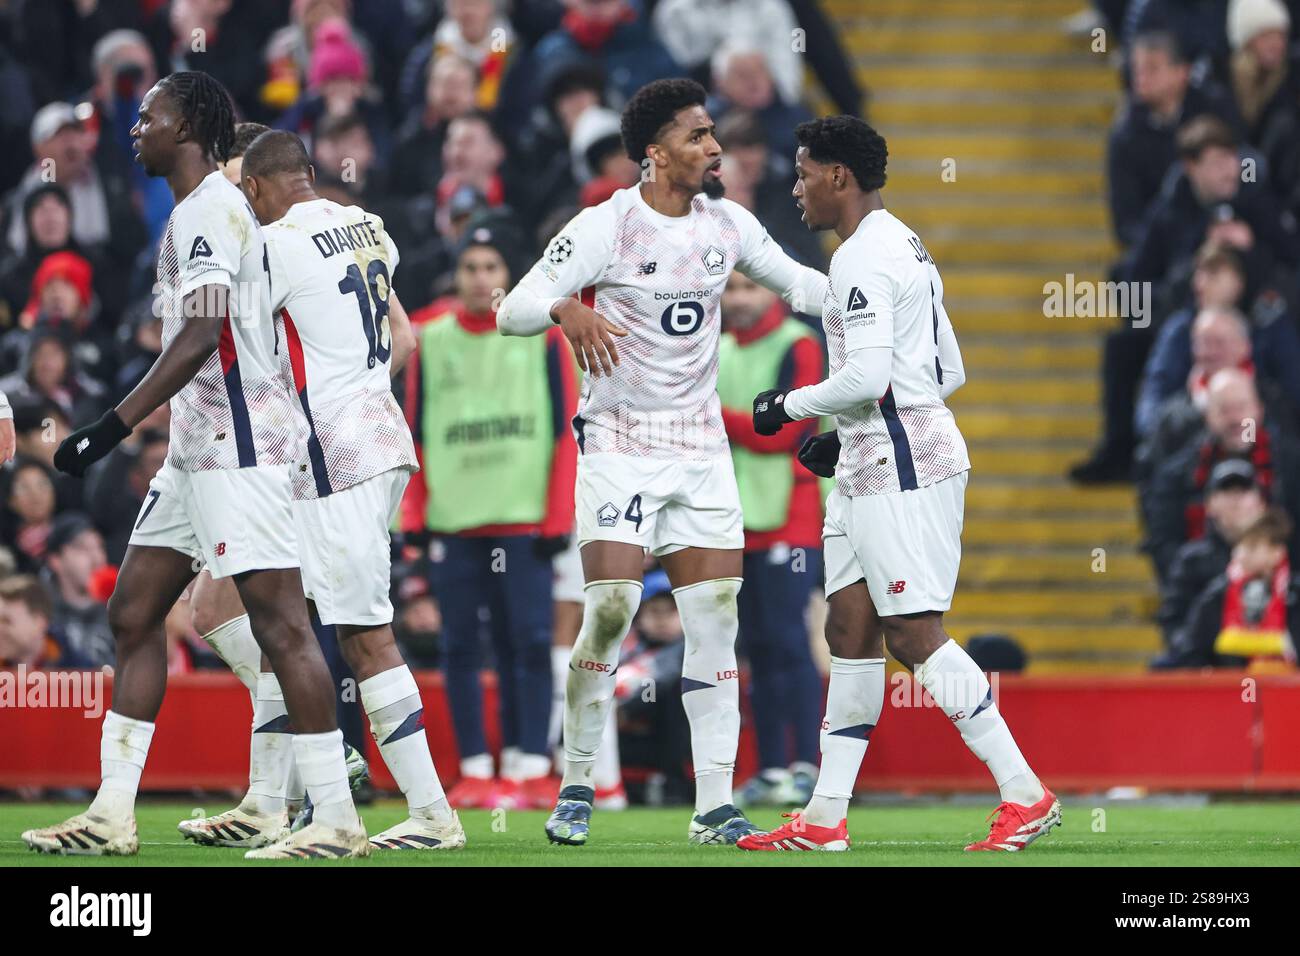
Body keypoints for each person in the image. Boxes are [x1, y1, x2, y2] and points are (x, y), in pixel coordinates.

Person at [21, 72, 366, 860]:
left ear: (191, 126)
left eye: (151, 115)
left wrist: (110, 428)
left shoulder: (211, 207)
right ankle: (111, 814)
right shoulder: (196, 210)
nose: (136, 126)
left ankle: (338, 818)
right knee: (133, 615)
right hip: (197, 449)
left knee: (281, 624)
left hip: (241, 446)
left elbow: (202, 332)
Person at [497, 78, 828, 846]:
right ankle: (576, 782)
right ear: (654, 153)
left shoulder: (729, 224)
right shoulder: (606, 226)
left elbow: (801, 284)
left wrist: (874, 290)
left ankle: (713, 804)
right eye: (697, 136)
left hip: (700, 447)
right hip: (618, 439)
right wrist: (563, 306)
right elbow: (510, 307)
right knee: (610, 609)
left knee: (715, 623)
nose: (714, 148)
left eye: (714, 134)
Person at [738, 116, 1059, 853]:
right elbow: (948, 371)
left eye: (804, 172)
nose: (796, 187)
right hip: (875, 452)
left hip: (902, 458)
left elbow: (872, 376)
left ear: (839, 177)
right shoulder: (904, 243)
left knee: (913, 633)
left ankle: (1025, 793)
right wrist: (847, 430)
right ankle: (823, 819)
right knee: (848, 629)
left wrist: (789, 407)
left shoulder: (860, 258)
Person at [175, 129, 460, 854]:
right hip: (380, 437)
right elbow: (398, 337)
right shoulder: (368, 227)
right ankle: (276, 803)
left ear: (258, 187)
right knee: (286, 624)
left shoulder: (271, 248)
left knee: (364, 636)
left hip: (333, 458)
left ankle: (425, 814)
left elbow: (234, 349)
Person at [403, 217, 577, 812]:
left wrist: (557, 517)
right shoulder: (429, 337)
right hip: (454, 521)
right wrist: (416, 513)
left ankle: (529, 766)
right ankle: (475, 769)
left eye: (492, 268)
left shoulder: (545, 337)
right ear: (457, 276)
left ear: (511, 275)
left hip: (524, 519)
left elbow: (564, 430)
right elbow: (416, 429)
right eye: (471, 269)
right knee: (458, 646)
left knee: (527, 642)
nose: (481, 280)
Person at [715, 270, 826, 806]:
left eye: (748, 288)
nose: (737, 299)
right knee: (755, 648)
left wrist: (715, 416)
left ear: (774, 291)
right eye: (729, 289)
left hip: (790, 517)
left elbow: (787, 432)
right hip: (734, 519)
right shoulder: (717, 348)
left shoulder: (800, 344)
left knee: (789, 642)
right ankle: (773, 768)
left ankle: (806, 765)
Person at [1155, 507, 1299, 668]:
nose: (1241, 554)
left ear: (1277, 553)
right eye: (1238, 547)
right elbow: (1192, 650)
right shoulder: (1217, 595)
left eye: (1252, 547)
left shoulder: (1295, 596)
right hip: (1228, 689)